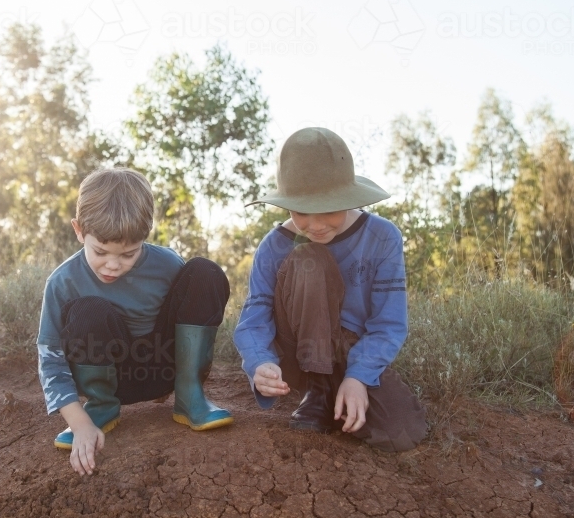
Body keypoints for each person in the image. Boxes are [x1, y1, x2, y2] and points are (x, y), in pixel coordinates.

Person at [233, 127, 427, 452]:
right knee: (309, 256)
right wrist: (260, 363)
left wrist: (359, 376)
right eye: (301, 212)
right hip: (296, 350)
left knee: (401, 433)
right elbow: (254, 320)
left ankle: (335, 391)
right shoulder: (273, 246)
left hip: (350, 349)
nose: (316, 225)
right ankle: (317, 388)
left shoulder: (383, 237)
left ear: (349, 198)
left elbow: (388, 324)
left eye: (329, 211)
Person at [37, 167, 233, 476]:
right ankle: (100, 410)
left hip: (164, 368)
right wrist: (78, 423)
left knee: (205, 271)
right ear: (78, 230)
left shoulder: (166, 263)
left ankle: (189, 395)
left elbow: (192, 309)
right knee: (88, 310)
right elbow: (50, 358)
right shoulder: (62, 282)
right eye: (100, 251)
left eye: (128, 254)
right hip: (113, 379)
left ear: (146, 235)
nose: (113, 265)